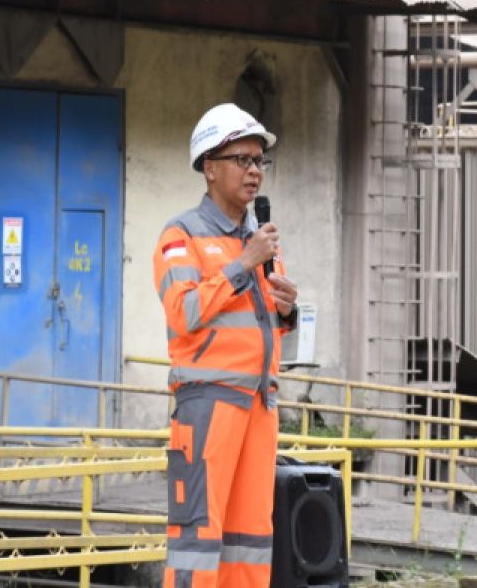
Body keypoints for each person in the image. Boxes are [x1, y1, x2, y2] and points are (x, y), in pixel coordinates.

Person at [153, 103, 299, 588]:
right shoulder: (182, 236)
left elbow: (256, 330)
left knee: (251, 538)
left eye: (260, 161)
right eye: (243, 159)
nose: (255, 171)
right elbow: (185, 312)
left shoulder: (257, 241)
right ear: (209, 168)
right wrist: (243, 265)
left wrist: (286, 313)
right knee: (198, 540)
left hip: (259, 404)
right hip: (208, 404)